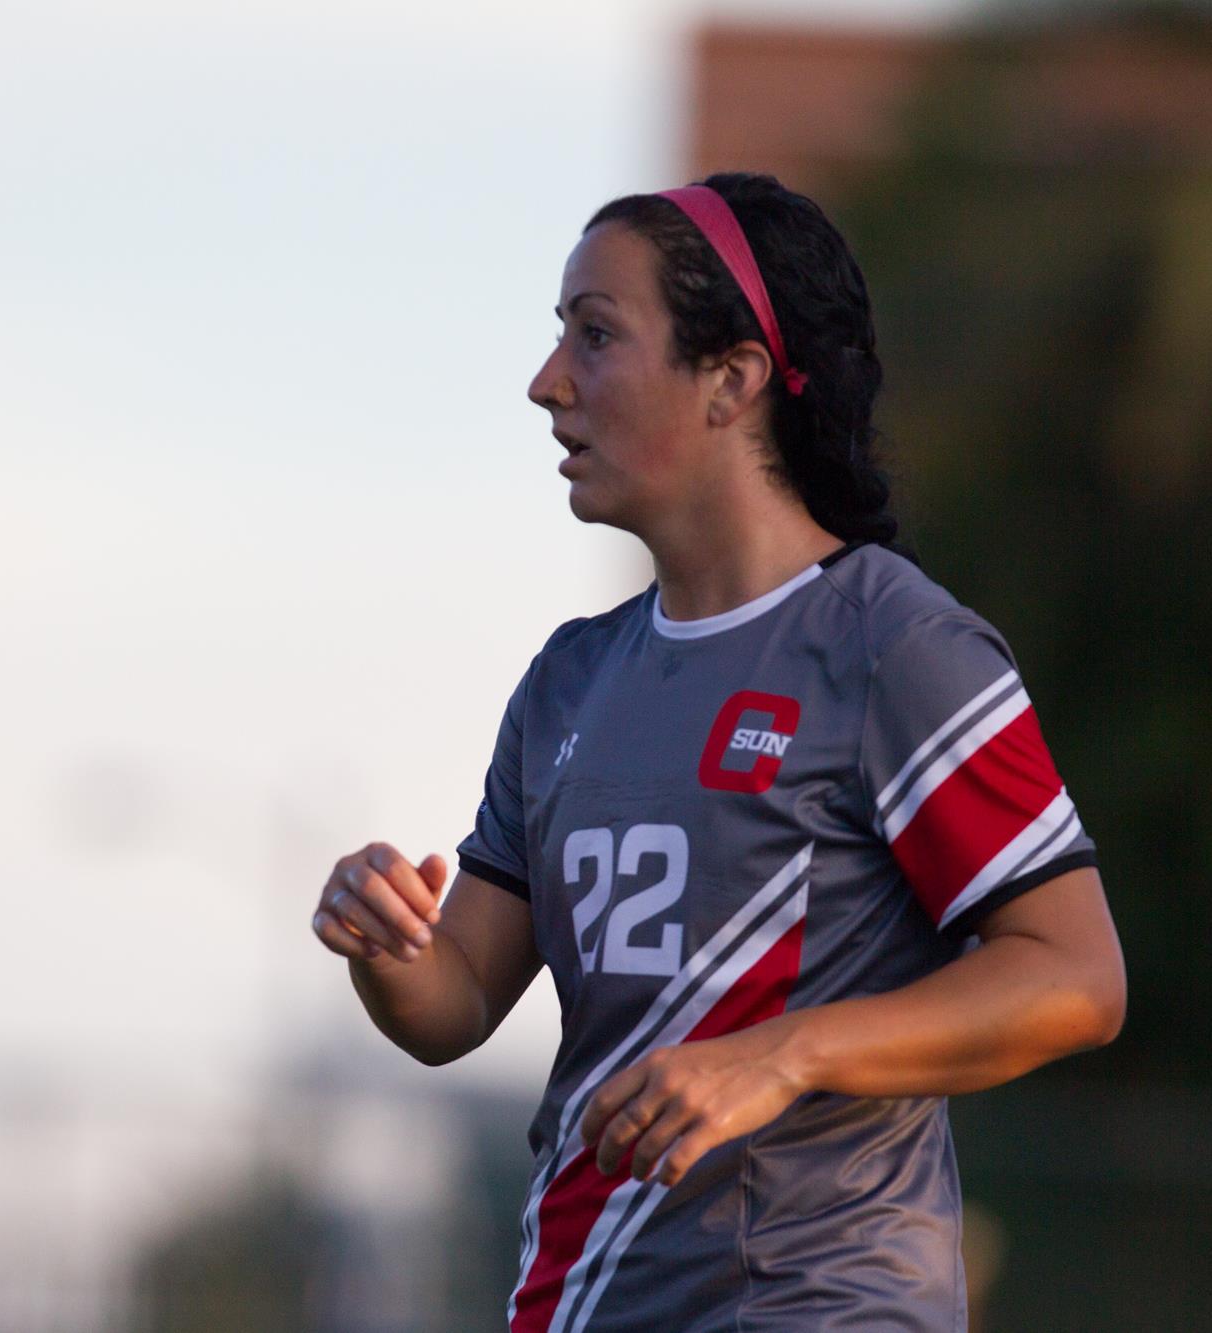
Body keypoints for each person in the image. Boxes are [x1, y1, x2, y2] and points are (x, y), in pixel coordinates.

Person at [307, 172, 1127, 1331]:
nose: (547, 385)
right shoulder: (567, 680)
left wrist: (781, 1055)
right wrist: (380, 939)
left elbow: (1074, 978)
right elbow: (452, 1003)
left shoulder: (893, 646)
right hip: (583, 1302)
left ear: (732, 379)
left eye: (595, 336)